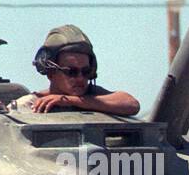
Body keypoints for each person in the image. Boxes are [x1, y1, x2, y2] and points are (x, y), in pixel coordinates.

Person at [11, 25, 140, 115]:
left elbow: (131, 104)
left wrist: (71, 101)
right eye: (71, 72)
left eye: (86, 72)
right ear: (50, 73)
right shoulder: (27, 106)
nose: (80, 78)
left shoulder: (93, 96)